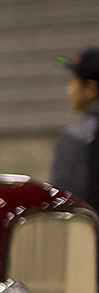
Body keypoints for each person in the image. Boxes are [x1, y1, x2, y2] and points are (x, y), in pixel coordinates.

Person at [48, 47, 99, 204]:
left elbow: (66, 207)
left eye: (72, 82)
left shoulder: (75, 140)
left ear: (90, 89)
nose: (69, 90)